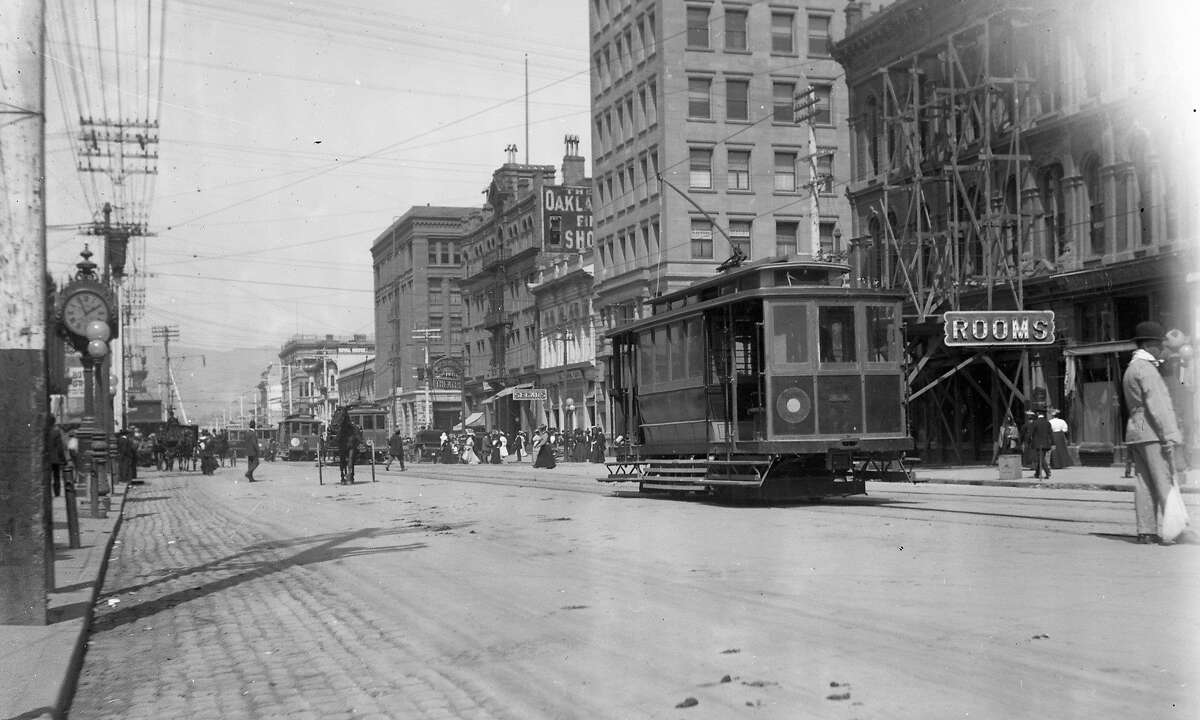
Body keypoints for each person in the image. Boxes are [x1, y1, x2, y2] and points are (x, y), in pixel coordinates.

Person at [1122, 321, 1185, 544]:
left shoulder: (1131, 368)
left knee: (1144, 481)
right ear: (1149, 345)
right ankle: (1176, 529)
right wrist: (1171, 436)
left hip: (1136, 430)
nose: (1162, 349)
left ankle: (1146, 530)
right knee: (1164, 479)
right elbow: (1158, 406)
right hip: (1152, 431)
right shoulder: (1147, 369)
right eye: (1159, 345)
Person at [45, 415, 67, 498]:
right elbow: (59, 447)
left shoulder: (44, 432)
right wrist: (63, 460)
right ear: (54, 422)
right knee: (56, 476)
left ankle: (47, 492)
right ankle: (57, 492)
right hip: (55, 459)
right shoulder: (56, 432)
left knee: (47, 476)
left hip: (46, 458)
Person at [1030, 411, 1053, 480]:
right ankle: (1037, 473)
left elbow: (1031, 433)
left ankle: (1047, 472)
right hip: (1046, 443)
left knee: (1041, 458)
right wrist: (1053, 443)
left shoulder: (1035, 422)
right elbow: (1051, 434)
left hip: (1037, 443)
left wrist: (1028, 441)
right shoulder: (1048, 423)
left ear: (1037, 414)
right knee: (1041, 458)